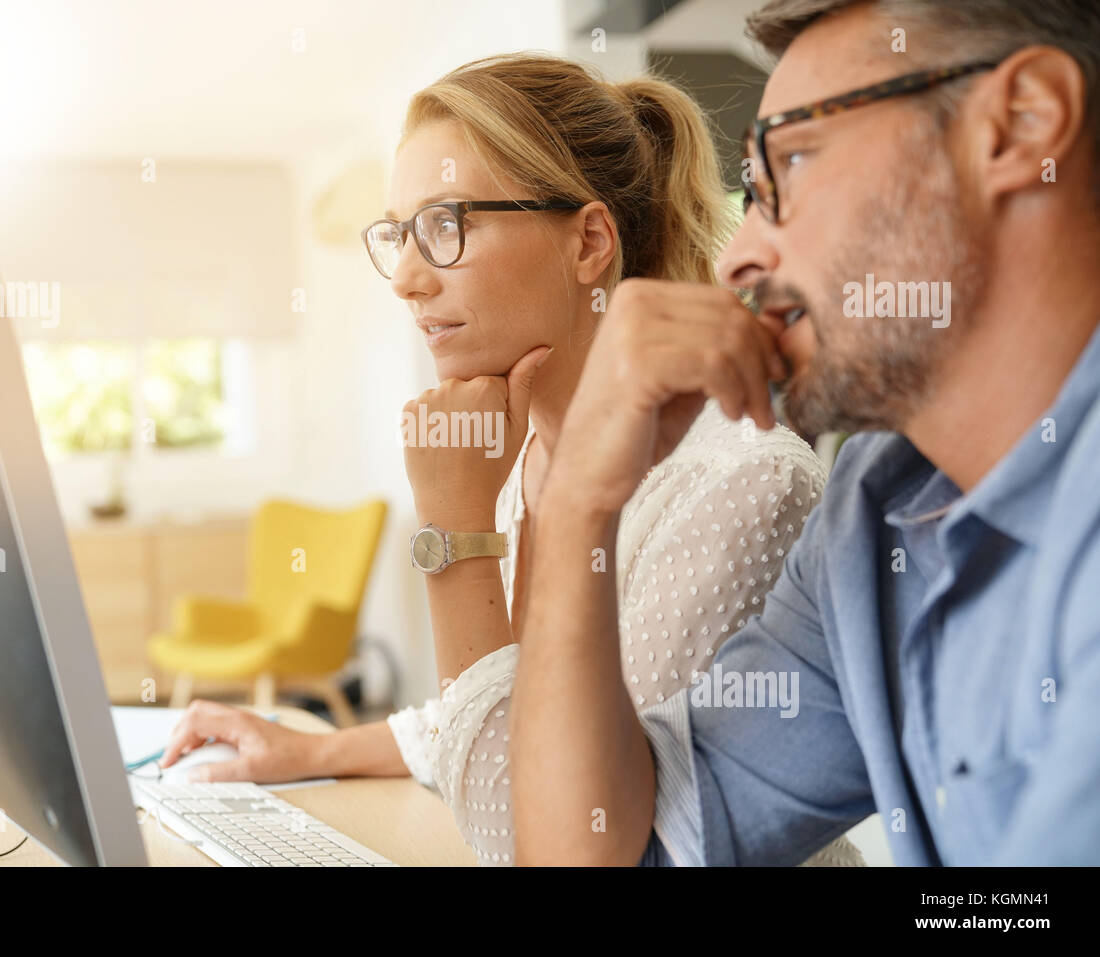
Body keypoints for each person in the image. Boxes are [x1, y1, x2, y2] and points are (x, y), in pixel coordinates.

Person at [161, 52, 863, 866]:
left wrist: (451, 534)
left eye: (447, 224)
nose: (408, 280)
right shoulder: (521, 455)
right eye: (399, 235)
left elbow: (550, 838)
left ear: (590, 242)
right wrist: (308, 750)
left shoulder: (741, 484)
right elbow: (513, 705)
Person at [507, 0, 1100, 865]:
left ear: (1018, 124)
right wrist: (577, 506)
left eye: (790, 161)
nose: (735, 262)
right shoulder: (876, 511)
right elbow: (600, 852)